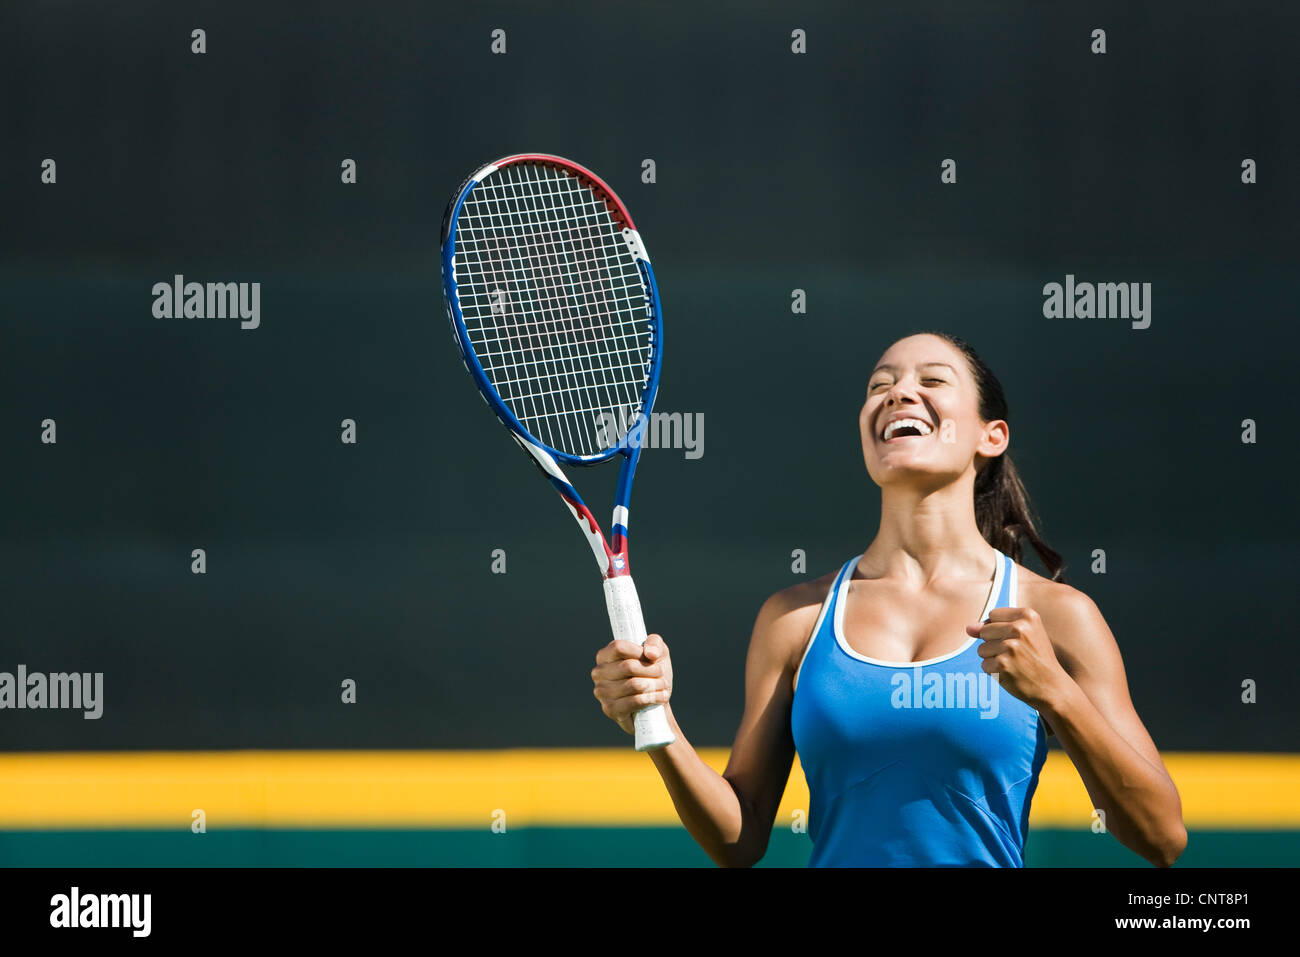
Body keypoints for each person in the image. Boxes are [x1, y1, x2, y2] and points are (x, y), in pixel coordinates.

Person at [590, 331, 1187, 867]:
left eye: (931, 380)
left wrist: (1056, 692)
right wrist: (656, 720)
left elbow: (1162, 838)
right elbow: (738, 839)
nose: (899, 393)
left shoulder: (1058, 616)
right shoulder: (794, 618)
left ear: (992, 435)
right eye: (881, 385)